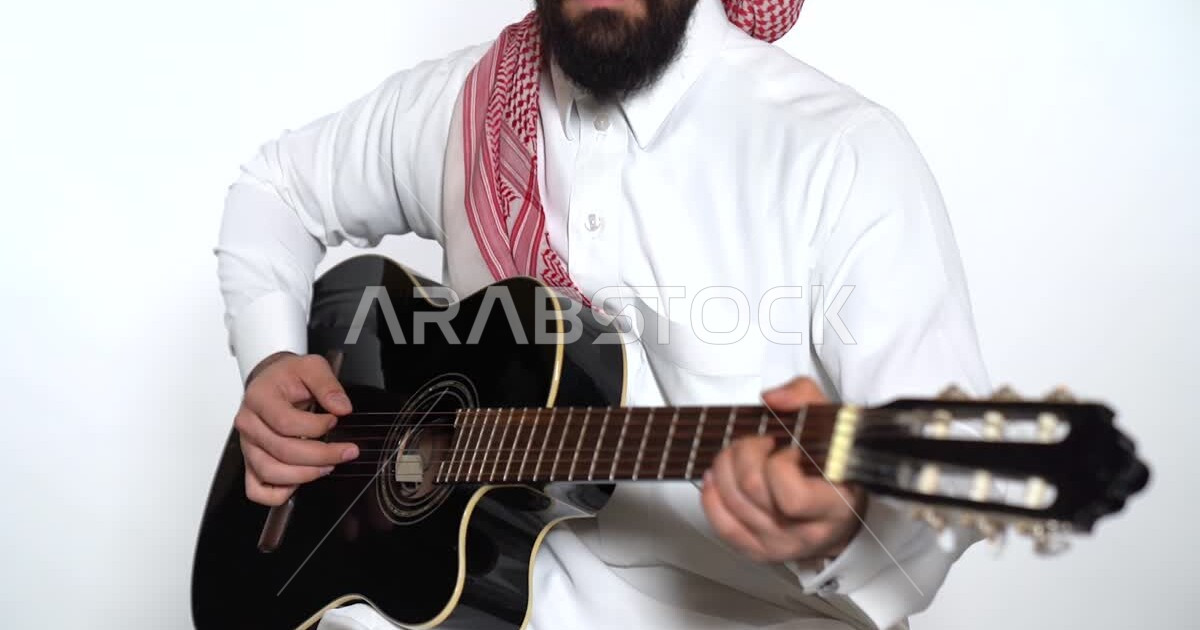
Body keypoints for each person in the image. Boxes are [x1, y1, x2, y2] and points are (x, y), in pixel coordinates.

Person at [215, 0, 990, 628]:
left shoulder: (838, 153)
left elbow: (947, 488)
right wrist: (274, 358)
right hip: (470, 603)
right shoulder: (471, 109)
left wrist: (844, 524)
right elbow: (275, 189)